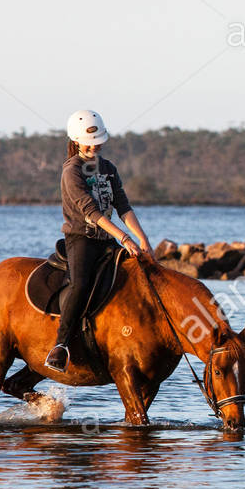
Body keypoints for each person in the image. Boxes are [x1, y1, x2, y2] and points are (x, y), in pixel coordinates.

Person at [44, 109, 154, 373]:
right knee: (81, 284)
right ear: (76, 140)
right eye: (90, 141)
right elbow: (91, 212)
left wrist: (143, 240)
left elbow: (123, 207)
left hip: (108, 239)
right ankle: (61, 346)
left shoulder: (108, 168)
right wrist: (125, 238)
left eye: (99, 141)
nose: (96, 145)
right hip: (81, 239)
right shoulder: (72, 171)